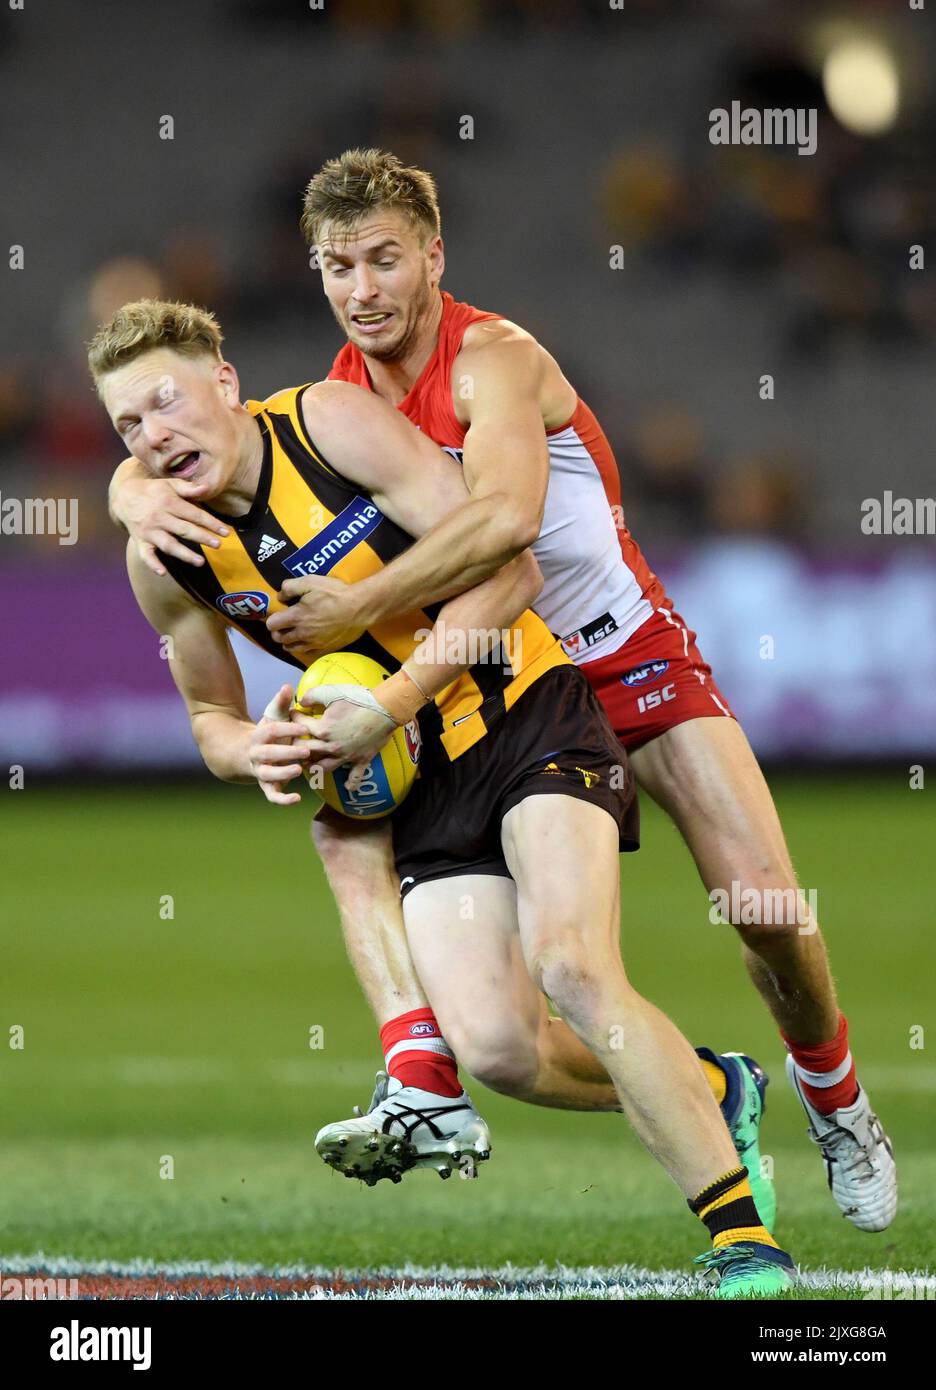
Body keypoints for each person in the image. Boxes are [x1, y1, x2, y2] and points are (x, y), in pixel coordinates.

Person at [108, 149, 895, 1237]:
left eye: (385, 260)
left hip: (617, 656)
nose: (363, 289)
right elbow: (201, 428)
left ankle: (836, 1091)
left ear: (434, 255)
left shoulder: (493, 359)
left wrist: (352, 609)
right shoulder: (335, 402)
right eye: (339, 268)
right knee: (365, 845)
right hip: (479, 683)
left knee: (762, 906)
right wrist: (131, 485)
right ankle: (437, 1070)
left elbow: (505, 526)